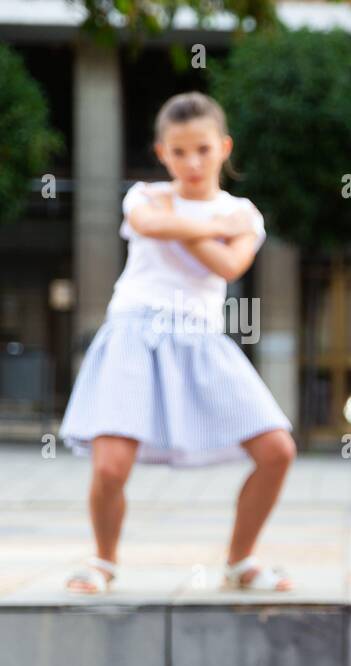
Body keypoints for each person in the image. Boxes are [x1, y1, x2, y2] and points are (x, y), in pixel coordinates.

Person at [60, 91, 295, 594]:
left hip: (202, 339)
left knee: (277, 449)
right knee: (110, 465)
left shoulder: (244, 212)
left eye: (203, 150)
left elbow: (231, 266)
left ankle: (240, 559)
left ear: (224, 147)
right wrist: (209, 226)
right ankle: (103, 561)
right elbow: (147, 223)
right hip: (133, 332)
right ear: (162, 151)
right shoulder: (144, 196)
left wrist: (179, 224)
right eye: (179, 151)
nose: (192, 162)